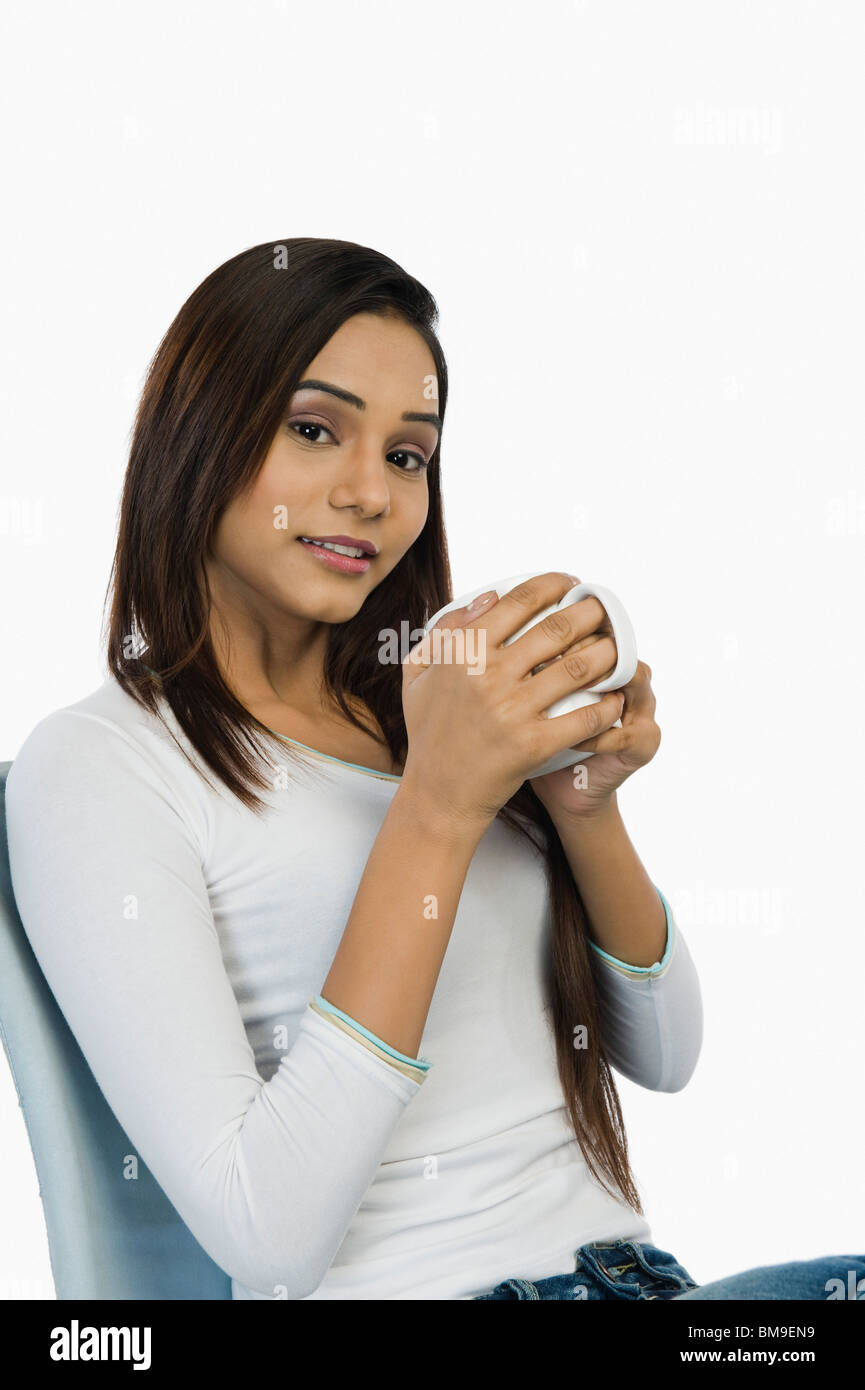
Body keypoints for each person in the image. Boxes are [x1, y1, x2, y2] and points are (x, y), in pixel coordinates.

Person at [6, 238, 861, 1301]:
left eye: (408, 455)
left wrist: (579, 808)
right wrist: (440, 807)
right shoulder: (98, 768)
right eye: (314, 430)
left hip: (642, 1284)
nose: (371, 493)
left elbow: (665, 1051)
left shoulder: (423, 710)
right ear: (198, 437)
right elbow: (263, 1234)